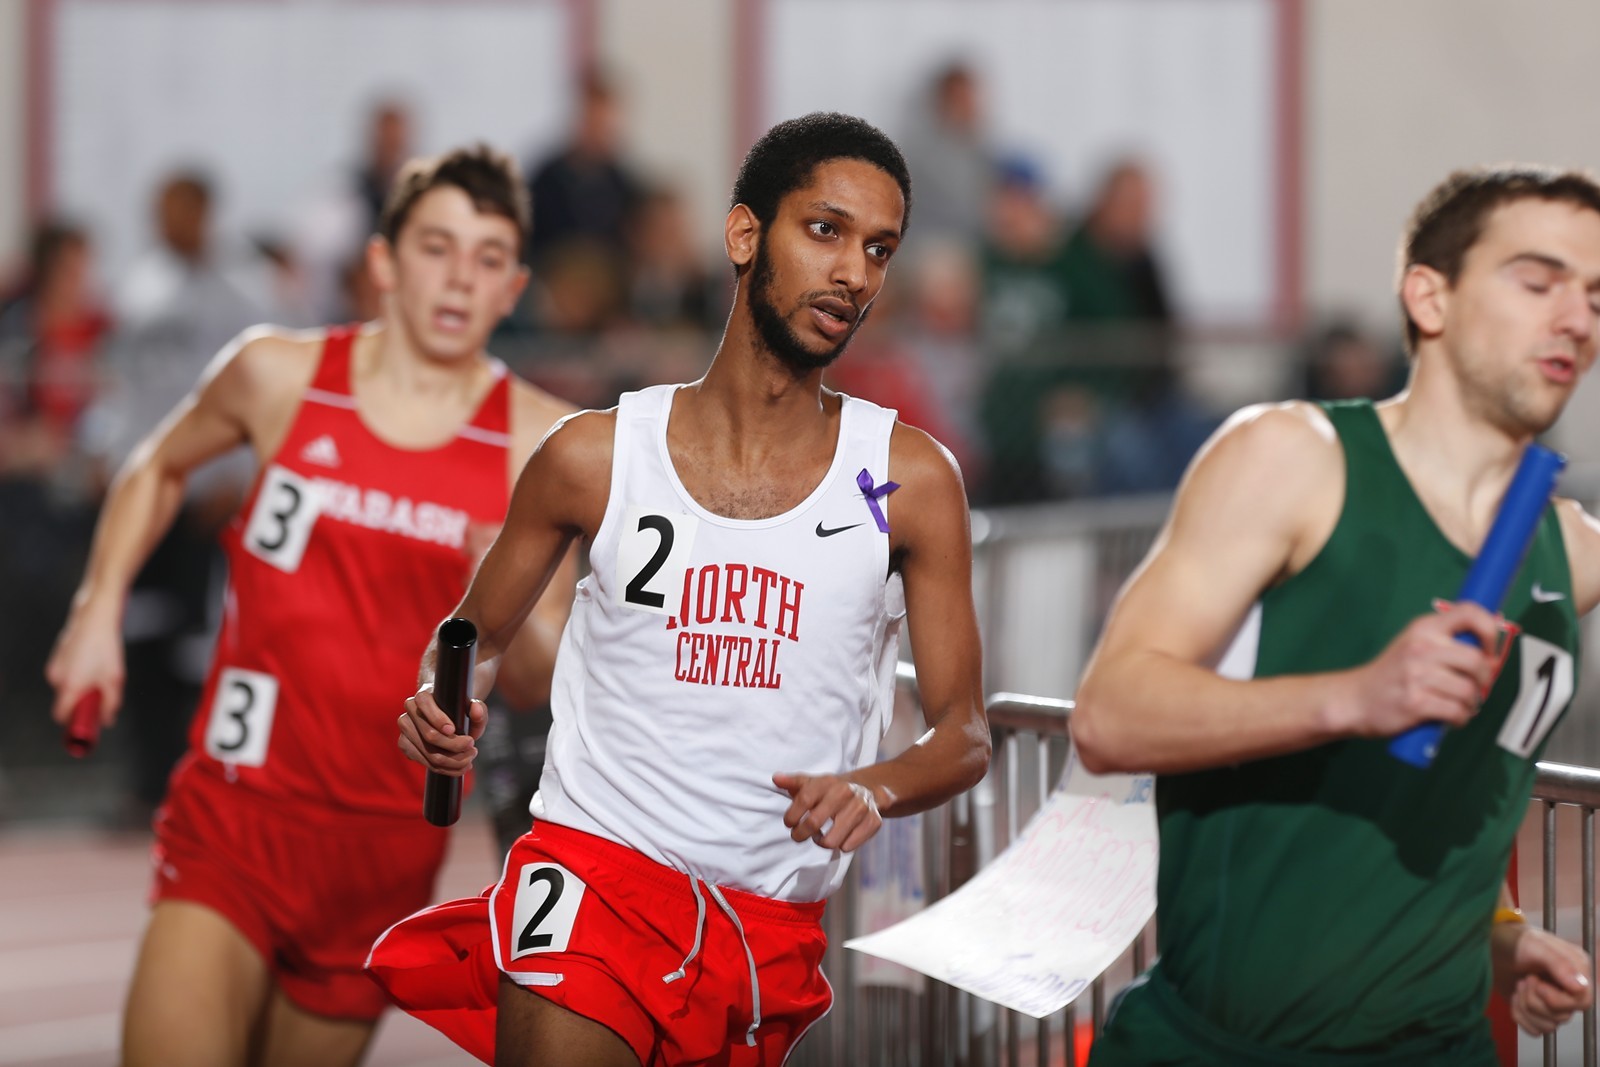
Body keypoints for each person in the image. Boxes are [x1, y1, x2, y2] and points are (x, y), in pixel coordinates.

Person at [370, 112, 991, 1067]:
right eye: (824, 231)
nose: (854, 274)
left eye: (879, 249)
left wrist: (875, 782)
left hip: (763, 928)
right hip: (592, 876)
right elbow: (474, 638)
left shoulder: (911, 480)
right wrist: (443, 702)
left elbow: (963, 734)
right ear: (746, 234)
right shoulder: (591, 455)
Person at [45, 144, 575, 1067]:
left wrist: (513, 595)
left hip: (384, 846)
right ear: (382, 263)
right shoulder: (280, 375)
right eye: (437, 247)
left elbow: (541, 675)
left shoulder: (537, 441)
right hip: (236, 814)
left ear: (513, 285)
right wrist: (97, 612)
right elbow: (156, 466)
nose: (459, 277)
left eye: (487, 258)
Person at [1071, 166, 1600, 1064]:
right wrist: (1355, 696)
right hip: (1221, 1046)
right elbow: (1108, 715)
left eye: (1594, 295)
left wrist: (1499, 936)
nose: (1577, 320)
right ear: (1429, 296)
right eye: (1538, 280)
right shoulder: (1292, 457)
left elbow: (1432, 808)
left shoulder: (1571, 552)